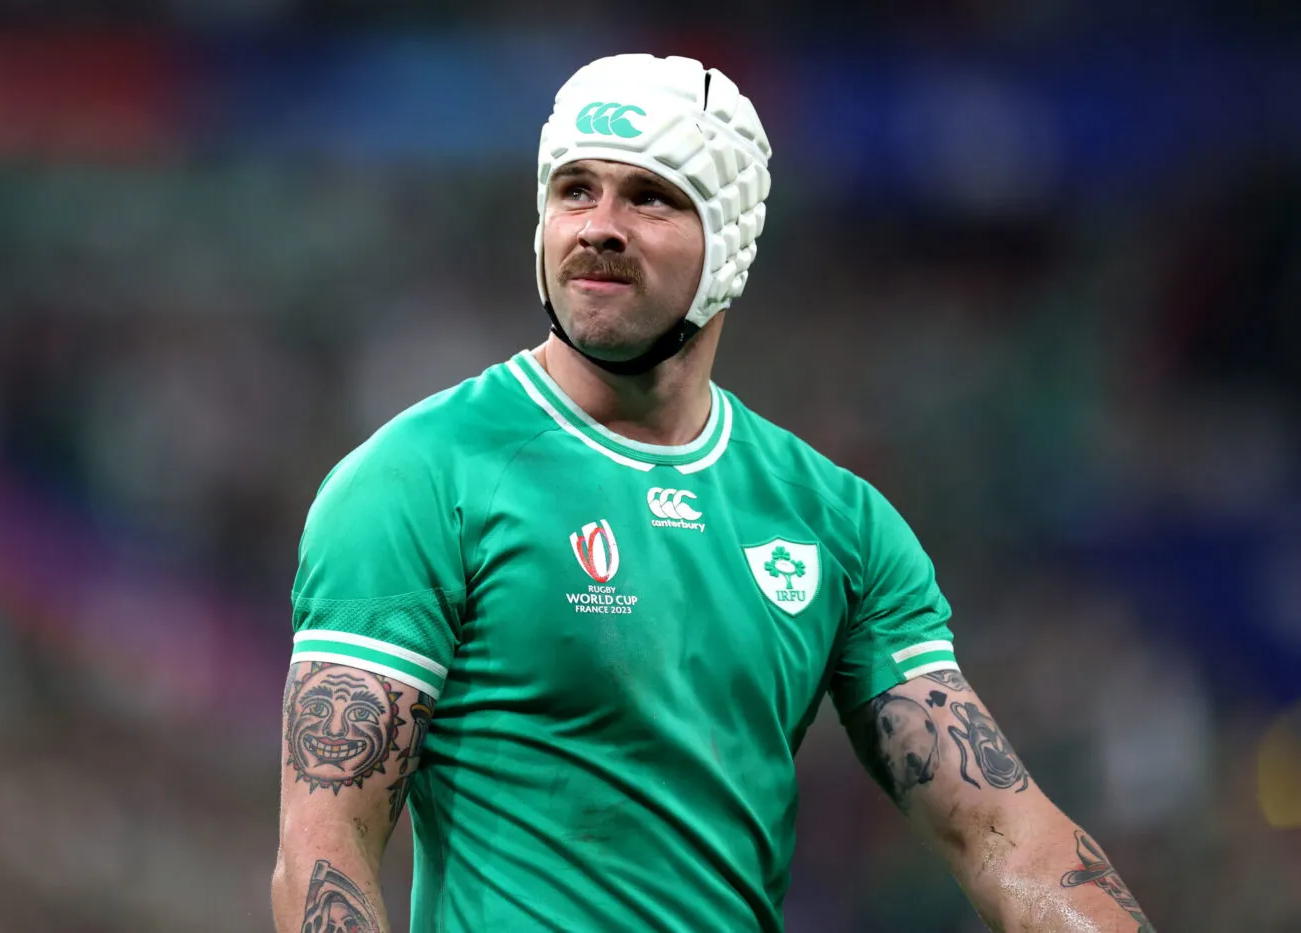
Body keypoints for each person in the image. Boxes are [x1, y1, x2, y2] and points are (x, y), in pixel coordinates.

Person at [271, 53, 1154, 933]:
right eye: (574, 190)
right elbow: (326, 848)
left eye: (650, 197)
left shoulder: (834, 522)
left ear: (729, 238)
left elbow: (1000, 834)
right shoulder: (417, 479)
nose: (599, 226)